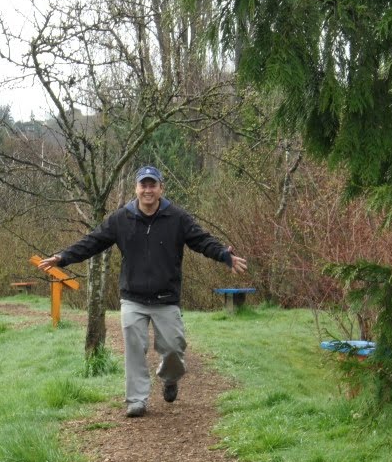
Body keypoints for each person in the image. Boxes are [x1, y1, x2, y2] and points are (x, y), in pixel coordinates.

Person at [37, 165, 248, 417]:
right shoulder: (120, 219)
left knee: (173, 348)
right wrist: (62, 257)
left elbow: (202, 240)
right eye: (143, 185)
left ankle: (170, 378)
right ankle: (136, 399)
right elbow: (91, 242)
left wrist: (225, 255)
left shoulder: (177, 218)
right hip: (133, 298)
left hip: (166, 297)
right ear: (136, 188)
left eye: (152, 185)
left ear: (161, 189)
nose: (147, 190)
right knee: (134, 348)